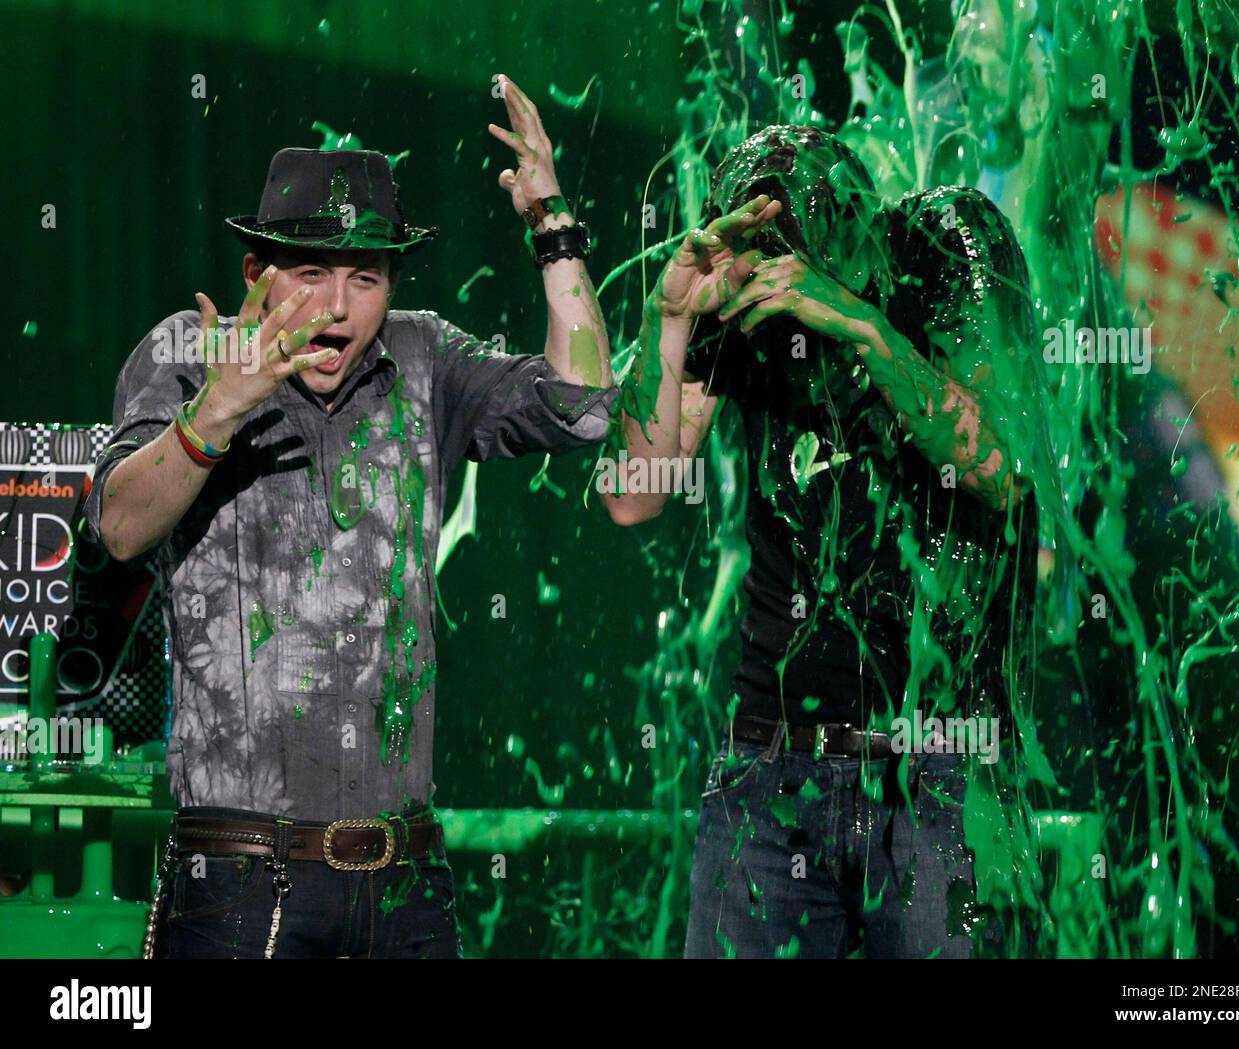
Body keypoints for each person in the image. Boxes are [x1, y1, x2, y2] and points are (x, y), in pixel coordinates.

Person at [84, 75, 615, 959]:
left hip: (405, 880)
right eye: (310, 274)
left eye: (363, 278)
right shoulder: (189, 351)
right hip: (239, 879)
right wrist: (215, 413)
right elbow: (117, 526)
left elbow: (587, 403)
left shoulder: (425, 356)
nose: (335, 306)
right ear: (255, 272)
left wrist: (552, 224)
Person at [603, 124, 1038, 958]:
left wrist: (860, 327)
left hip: (933, 772)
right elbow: (633, 496)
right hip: (768, 772)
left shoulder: (936, 257)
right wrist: (668, 320)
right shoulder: (739, 308)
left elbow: (1001, 469)